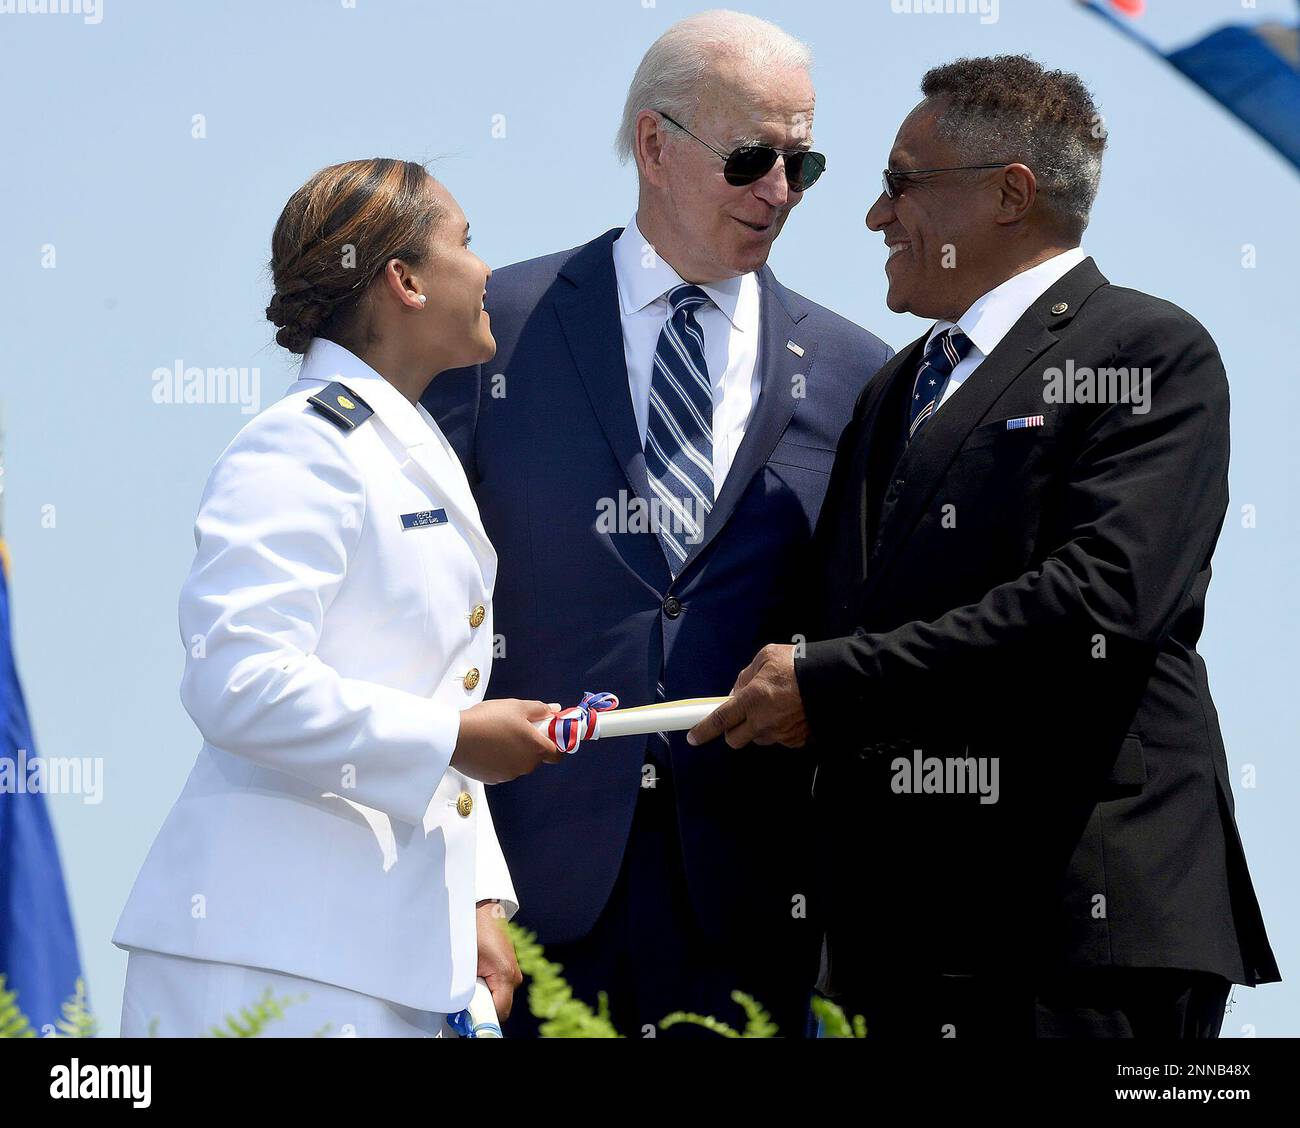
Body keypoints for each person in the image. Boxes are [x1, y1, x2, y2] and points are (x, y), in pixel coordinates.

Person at [689, 55, 1280, 1038]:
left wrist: (832, 680)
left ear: (1010, 193)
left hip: (1079, 936)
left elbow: (1101, 601)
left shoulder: (1142, 351)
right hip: (897, 948)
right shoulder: (894, 391)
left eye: (899, 184)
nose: (876, 218)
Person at [423, 10, 891, 1037]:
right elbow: (408, 619)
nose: (777, 190)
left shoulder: (859, 374)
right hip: (525, 894)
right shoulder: (488, 332)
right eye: (750, 157)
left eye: (800, 165)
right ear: (653, 145)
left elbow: (864, 629)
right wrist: (458, 878)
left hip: (752, 908)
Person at [113, 158, 564, 1037]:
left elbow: (424, 690)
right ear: (403, 281)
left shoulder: (401, 438)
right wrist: (457, 739)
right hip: (271, 957)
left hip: (385, 954)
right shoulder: (301, 444)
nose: (486, 271)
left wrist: (474, 892)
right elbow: (238, 680)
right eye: (465, 242)